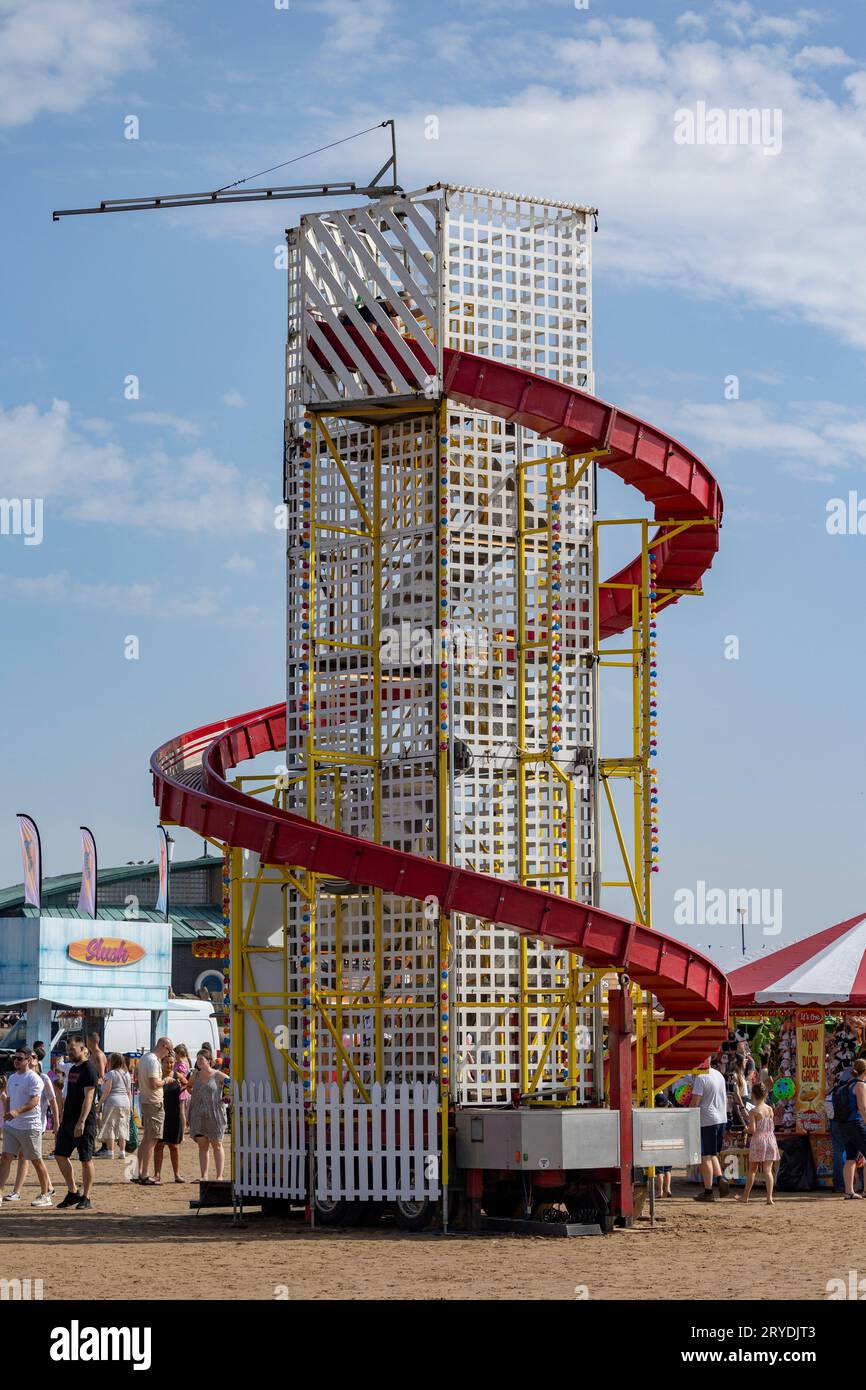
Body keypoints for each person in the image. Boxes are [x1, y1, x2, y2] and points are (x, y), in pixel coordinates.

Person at [0, 1048, 53, 1206]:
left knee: (36, 1160)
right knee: (5, 1159)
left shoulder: (34, 1078)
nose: (16, 1061)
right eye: (15, 1058)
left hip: (30, 1126)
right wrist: (9, 1113)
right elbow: (9, 1097)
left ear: (29, 1060)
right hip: (12, 1126)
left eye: (20, 1058)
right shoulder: (12, 1078)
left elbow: (34, 1101)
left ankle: (45, 1195)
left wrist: (16, 1112)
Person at [53, 1036, 99, 1210]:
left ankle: (86, 1197)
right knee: (60, 1154)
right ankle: (73, 1192)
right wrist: (62, 1120)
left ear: (82, 1049)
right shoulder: (72, 1069)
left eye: (72, 1049)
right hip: (68, 1121)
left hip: (84, 1122)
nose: (69, 1053)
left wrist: (81, 1121)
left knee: (85, 1159)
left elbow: (89, 1097)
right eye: (68, 1050)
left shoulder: (89, 1069)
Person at [690, 1054, 730, 1202]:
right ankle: (721, 1178)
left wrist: (687, 1114)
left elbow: (695, 1102)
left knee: (705, 1156)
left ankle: (708, 1191)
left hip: (708, 1119)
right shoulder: (719, 1074)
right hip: (721, 1118)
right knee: (713, 1154)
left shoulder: (701, 1078)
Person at [135, 1036, 174, 1185]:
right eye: (169, 1050)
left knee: (146, 1139)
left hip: (146, 1101)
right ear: (164, 1046)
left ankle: (139, 1172)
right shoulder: (153, 1061)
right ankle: (144, 1174)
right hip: (153, 1103)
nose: (168, 1054)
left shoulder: (145, 1058)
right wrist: (166, 1080)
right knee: (152, 1139)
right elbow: (154, 1083)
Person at [187, 1050, 228, 1180]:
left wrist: (226, 1097)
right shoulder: (195, 1075)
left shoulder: (218, 1075)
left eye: (201, 1059)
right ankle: (204, 1176)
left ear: (209, 1060)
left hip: (215, 1114)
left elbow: (231, 1084)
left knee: (217, 1144)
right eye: (198, 1059)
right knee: (202, 1145)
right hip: (199, 1115)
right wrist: (195, 1096)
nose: (199, 1062)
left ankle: (219, 1176)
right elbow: (188, 1087)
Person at [740, 1082, 780, 1204]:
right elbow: (768, 1124)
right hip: (770, 1140)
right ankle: (769, 1198)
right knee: (768, 1171)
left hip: (758, 1141)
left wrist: (745, 1130)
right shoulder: (769, 1109)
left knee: (752, 1170)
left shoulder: (753, 1111)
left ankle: (745, 1197)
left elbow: (752, 1129)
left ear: (753, 1094)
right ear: (765, 1094)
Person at [153, 1053, 186, 1183]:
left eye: (172, 1062)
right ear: (162, 1063)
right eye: (167, 1062)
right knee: (159, 1146)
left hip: (174, 1113)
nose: (169, 1065)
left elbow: (188, 1085)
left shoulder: (177, 1075)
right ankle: (157, 1174)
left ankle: (177, 1175)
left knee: (174, 1146)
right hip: (160, 1113)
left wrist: (181, 1089)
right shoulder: (158, 1077)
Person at [837, 1058, 866, 1199]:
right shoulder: (861, 1085)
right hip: (857, 1122)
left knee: (850, 1157)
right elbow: (862, 1107)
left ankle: (849, 1191)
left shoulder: (847, 1084)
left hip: (845, 1124)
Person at [95, 1053, 133, 1159]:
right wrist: (130, 1106)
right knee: (122, 1127)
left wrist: (99, 1105)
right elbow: (129, 1091)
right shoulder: (127, 1074)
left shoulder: (110, 1074)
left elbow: (106, 1091)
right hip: (125, 1102)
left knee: (110, 1127)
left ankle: (110, 1152)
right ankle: (122, 1152)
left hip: (112, 1102)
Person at [173, 1044, 192, 1132]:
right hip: (176, 1090)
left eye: (175, 1053)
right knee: (178, 1112)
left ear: (180, 1054)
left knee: (181, 1112)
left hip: (181, 1091)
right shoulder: (177, 1063)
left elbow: (182, 1079)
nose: (174, 1055)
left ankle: (182, 1131)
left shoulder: (182, 1065)